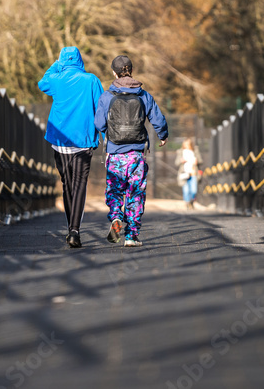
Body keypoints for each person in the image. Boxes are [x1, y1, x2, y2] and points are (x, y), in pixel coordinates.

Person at [94, 54, 168, 247]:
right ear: (132, 71)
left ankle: (116, 216)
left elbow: (99, 123)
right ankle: (131, 236)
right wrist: (163, 135)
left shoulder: (106, 96)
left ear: (114, 72)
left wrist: (111, 132)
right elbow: (157, 118)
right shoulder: (143, 95)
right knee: (135, 193)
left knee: (115, 190)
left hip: (115, 154)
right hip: (136, 154)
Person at [38, 46, 104, 249]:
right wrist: (105, 135)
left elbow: (42, 83)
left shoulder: (56, 80)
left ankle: (70, 228)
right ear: (80, 60)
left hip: (59, 141)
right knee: (79, 185)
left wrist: (57, 65)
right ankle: (74, 230)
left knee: (66, 184)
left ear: (62, 61)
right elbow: (101, 108)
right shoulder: (91, 80)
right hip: (83, 141)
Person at [177, 138, 202, 210]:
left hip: (193, 173)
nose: (187, 146)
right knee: (186, 190)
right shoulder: (181, 152)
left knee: (194, 190)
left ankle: (192, 201)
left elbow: (200, 160)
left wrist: (197, 161)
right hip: (184, 174)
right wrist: (181, 160)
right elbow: (177, 162)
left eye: (188, 144)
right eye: (185, 145)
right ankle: (187, 203)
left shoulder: (195, 151)